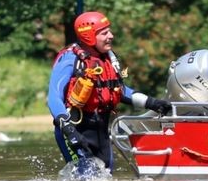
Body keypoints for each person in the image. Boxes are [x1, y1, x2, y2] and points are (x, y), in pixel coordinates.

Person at [47, 10, 172, 171]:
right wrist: (68, 129)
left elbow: (118, 90)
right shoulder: (70, 59)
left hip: (101, 128)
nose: (111, 36)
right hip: (75, 129)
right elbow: (53, 96)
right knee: (85, 179)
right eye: (104, 33)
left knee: (105, 177)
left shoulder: (106, 59)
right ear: (89, 36)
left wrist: (152, 103)